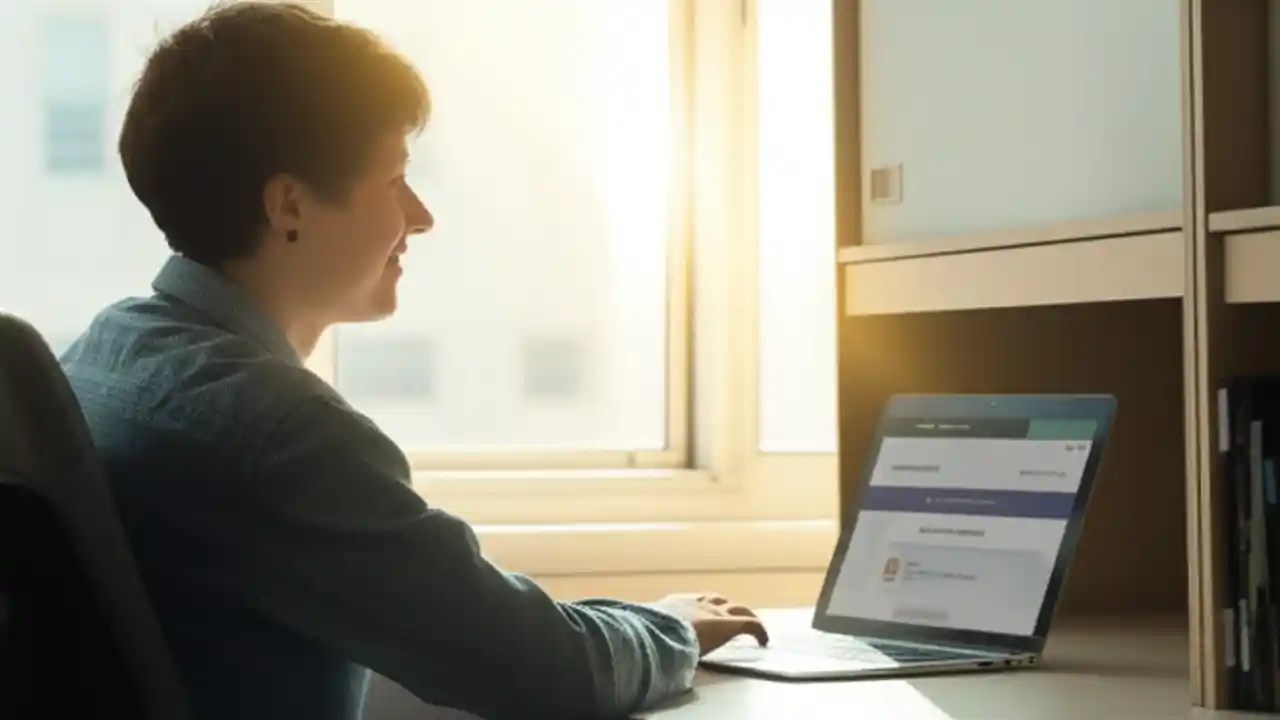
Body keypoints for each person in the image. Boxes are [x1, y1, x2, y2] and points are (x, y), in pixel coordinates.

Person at [58, 3, 768, 719]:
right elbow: (546, 673)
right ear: (290, 207)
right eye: (394, 180)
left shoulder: (101, 355)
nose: (419, 215)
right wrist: (672, 627)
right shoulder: (277, 434)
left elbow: (447, 631)